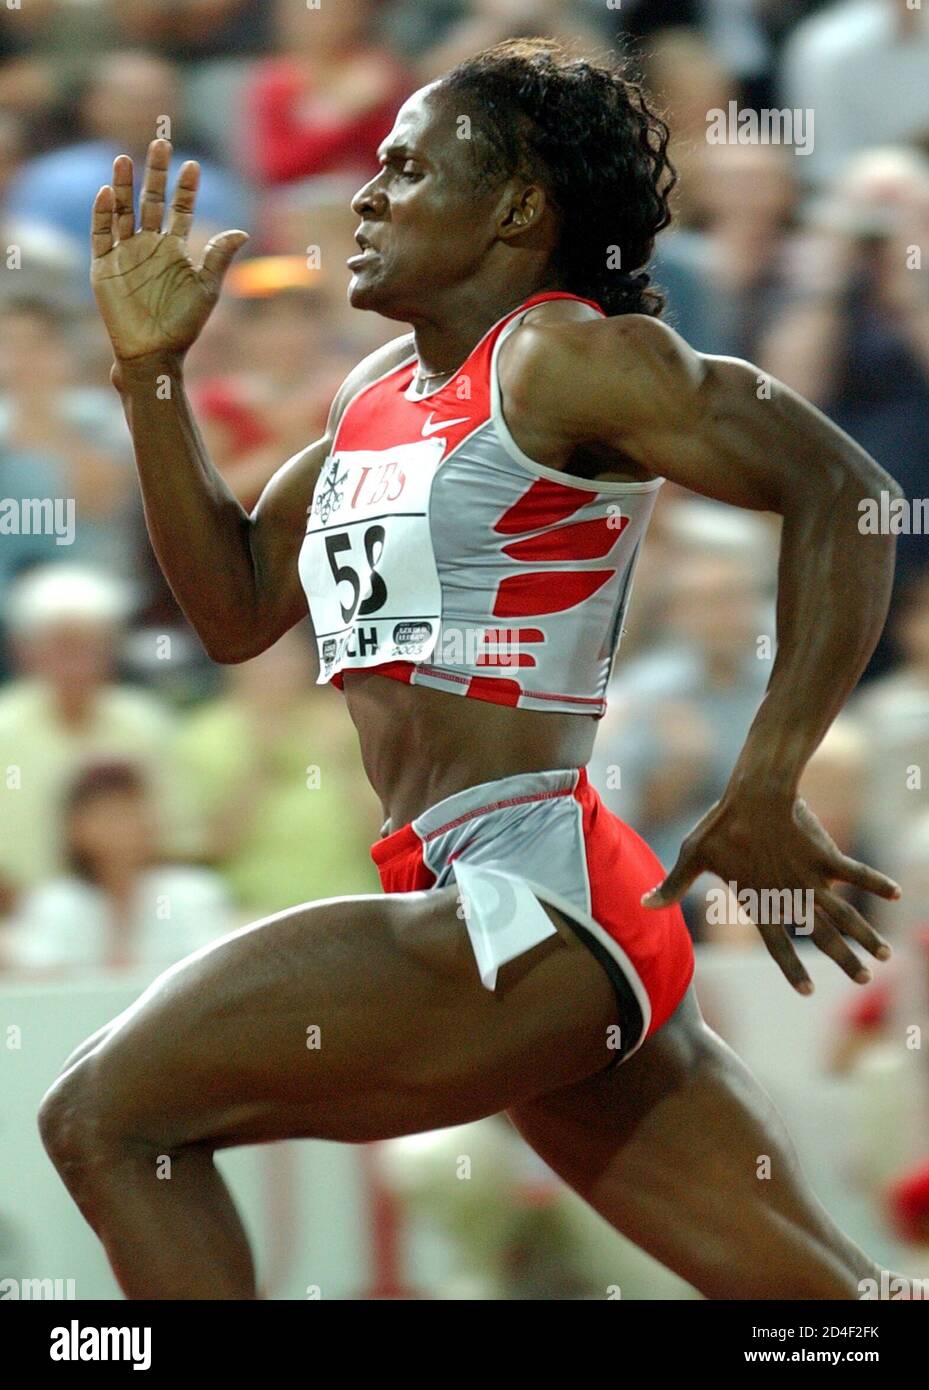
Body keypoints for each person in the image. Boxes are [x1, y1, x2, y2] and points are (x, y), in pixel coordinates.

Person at [40, 39, 906, 1301]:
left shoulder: (567, 359)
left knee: (104, 1120)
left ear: (515, 207)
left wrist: (767, 777)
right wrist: (149, 374)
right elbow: (231, 610)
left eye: (404, 167)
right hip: (536, 903)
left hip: (536, 905)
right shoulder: (374, 394)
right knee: (820, 1306)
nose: (364, 194)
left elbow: (848, 490)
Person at [5, 760, 232, 975]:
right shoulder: (56, 902)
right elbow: (38, 978)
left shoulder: (192, 894)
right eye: (108, 816)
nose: (122, 830)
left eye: (131, 813)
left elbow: (213, 972)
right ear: (75, 829)